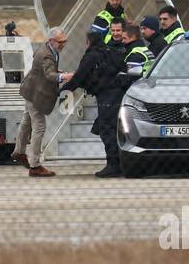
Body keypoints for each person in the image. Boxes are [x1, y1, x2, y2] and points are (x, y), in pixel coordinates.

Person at [62, 29, 126, 177]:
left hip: (106, 95)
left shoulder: (91, 56)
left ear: (89, 42)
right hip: (118, 94)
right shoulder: (111, 52)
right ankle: (119, 163)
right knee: (112, 128)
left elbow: (79, 77)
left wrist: (63, 90)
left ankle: (113, 165)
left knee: (106, 130)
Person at [13, 26, 72, 177]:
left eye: (65, 41)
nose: (63, 44)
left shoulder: (49, 49)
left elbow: (48, 70)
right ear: (51, 41)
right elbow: (49, 74)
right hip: (35, 95)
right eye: (61, 42)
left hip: (30, 90)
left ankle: (19, 152)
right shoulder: (46, 55)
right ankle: (35, 165)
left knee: (26, 122)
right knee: (39, 127)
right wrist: (65, 76)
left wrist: (60, 73)